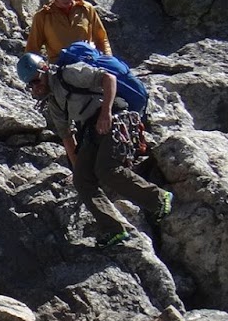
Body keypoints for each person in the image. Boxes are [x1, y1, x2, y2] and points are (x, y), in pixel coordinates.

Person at [17, 51, 171, 247]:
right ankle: (113, 230)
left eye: (36, 81)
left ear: (45, 69)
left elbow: (108, 78)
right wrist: (78, 168)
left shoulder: (69, 74)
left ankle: (159, 198)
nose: (35, 87)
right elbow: (66, 136)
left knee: (106, 170)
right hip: (91, 131)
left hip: (115, 118)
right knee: (82, 181)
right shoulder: (54, 101)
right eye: (30, 84)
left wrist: (106, 113)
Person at [25, 0, 112, 61]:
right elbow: (31, 51)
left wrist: (108, 61)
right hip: (61, 70)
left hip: (88, 64)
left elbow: (101, 39)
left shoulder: (87, 9)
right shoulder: (43, 17)